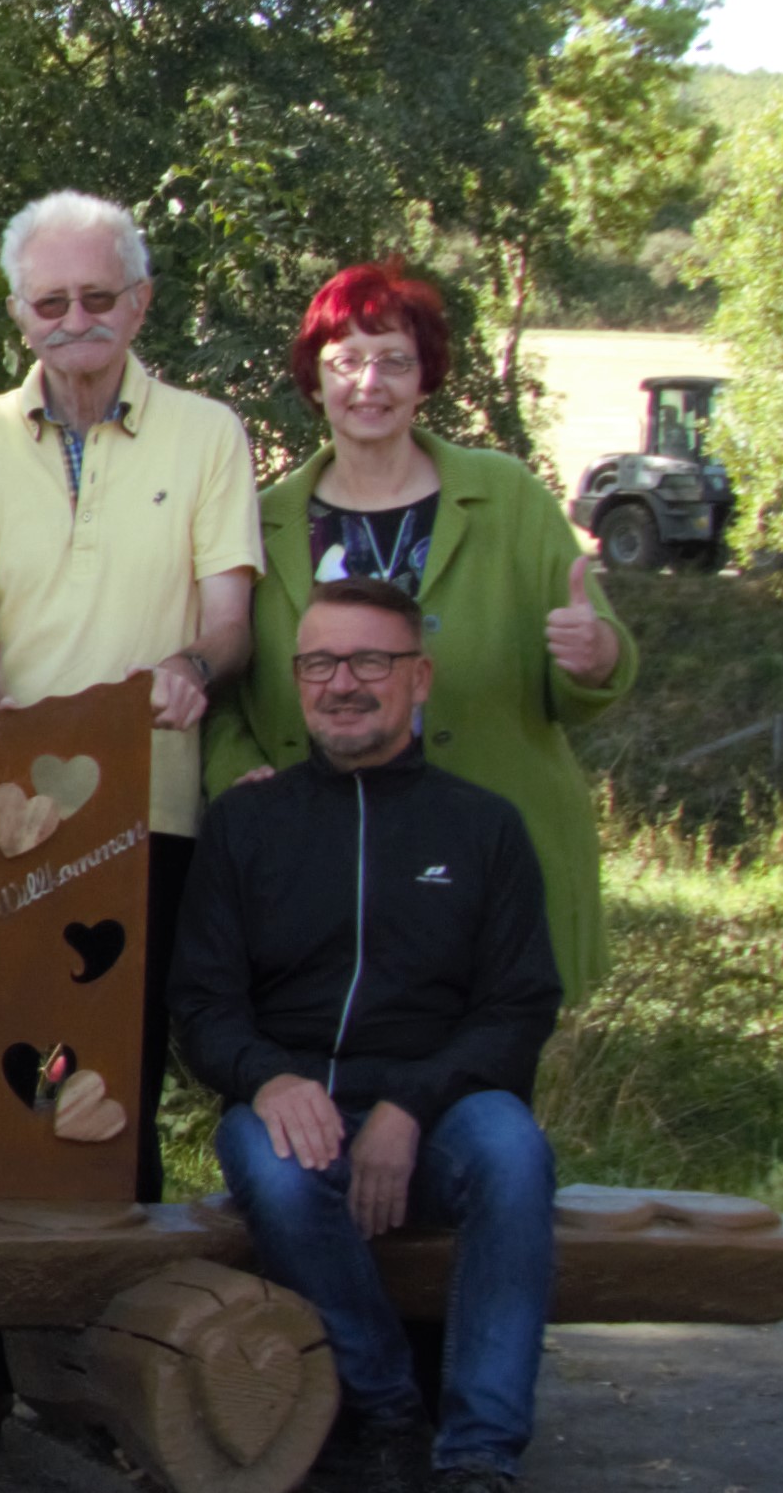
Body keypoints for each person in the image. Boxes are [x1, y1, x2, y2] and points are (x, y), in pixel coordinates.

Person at [0, 191, 263, 1448]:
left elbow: (225, 614)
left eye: (96, 300)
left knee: (103, 1074)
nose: (73, 324)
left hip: (146, 803)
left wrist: (191, 666)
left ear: (138, 304)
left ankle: (113, 1348)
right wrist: (0, 725)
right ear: (17, 311)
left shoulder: (209, 435)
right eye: (48, 303)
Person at [174, 579, 564, 1493]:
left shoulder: (480, 828)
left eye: (367, 664)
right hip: (292, 1101)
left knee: (515, 1155)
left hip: (437, 1108)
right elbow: (202, 1008)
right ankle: (385, 1415)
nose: (340, 685)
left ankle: (477, 1468)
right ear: (295, 681)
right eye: (318, 664)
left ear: (415, 678)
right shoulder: (243, 828)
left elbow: (517, 1006)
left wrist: (411, 1104)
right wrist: (264, 1079)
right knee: (267, 1166)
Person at [208, 259, 633, 998]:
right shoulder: (261, 519)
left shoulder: (507, 497)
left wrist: (592, 657)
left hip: (492, 861)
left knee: (490, 1087)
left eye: (393, 361)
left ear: (425, 377)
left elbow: (591, 663)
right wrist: (233, 774)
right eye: (345, 361)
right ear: (313, 379)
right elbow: (218, 681)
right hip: (319, 864)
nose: (368, 384)